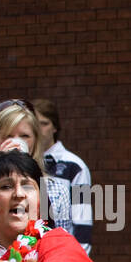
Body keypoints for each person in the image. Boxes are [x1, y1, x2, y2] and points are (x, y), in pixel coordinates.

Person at [0, 102, 71, 232]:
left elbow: (61, 240)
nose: (16, 142)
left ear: (35, 140)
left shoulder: (56, 189)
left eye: (24, 136)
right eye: (8, 136)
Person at [33, 99, 94, 252]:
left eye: (44, 123)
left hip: (62, 256)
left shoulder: (74, 166)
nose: (39, 129)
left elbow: (82, 219)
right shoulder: (23, 163)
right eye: (34, 124)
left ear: (55, 127)